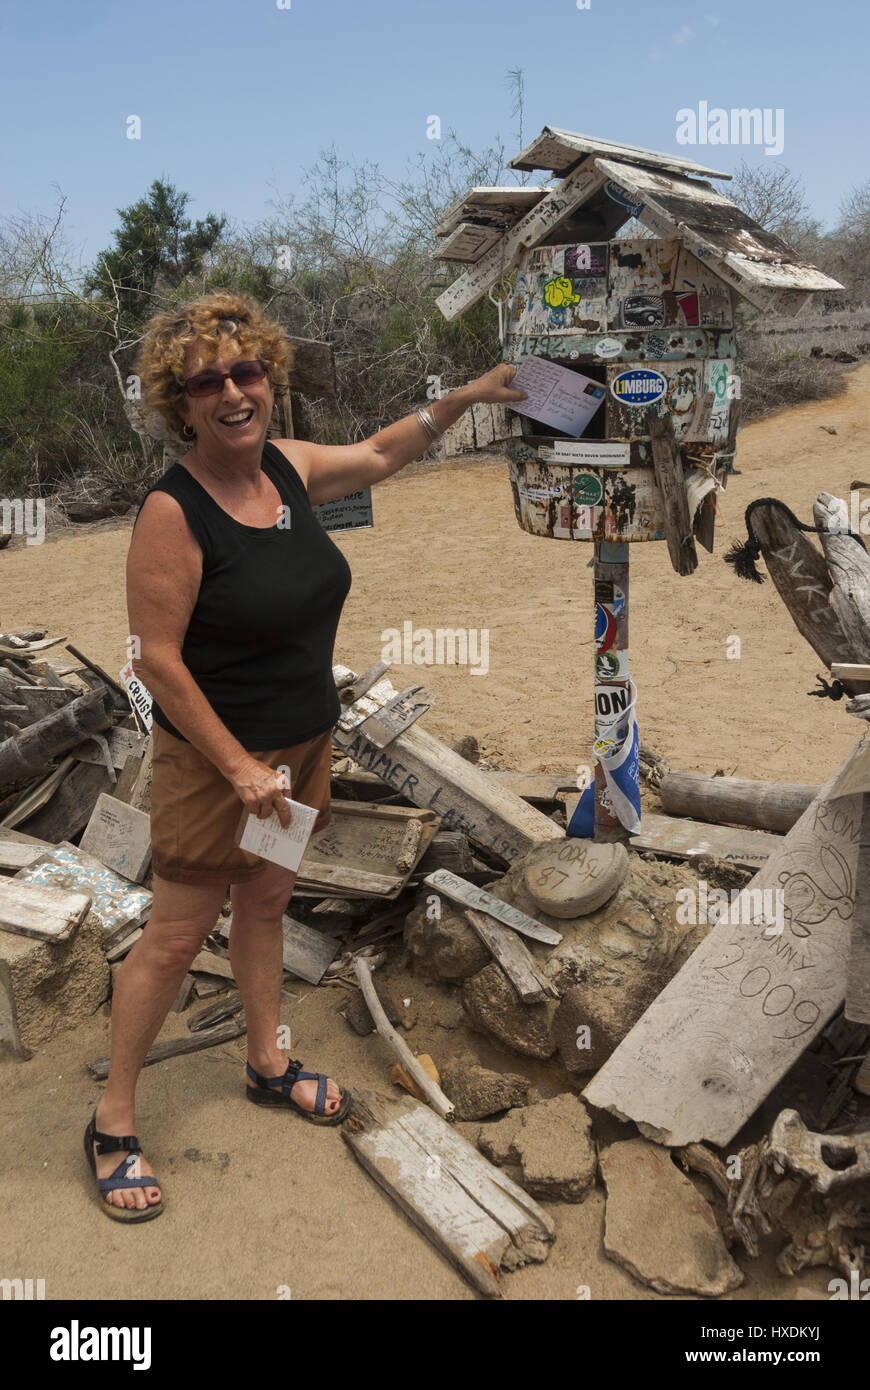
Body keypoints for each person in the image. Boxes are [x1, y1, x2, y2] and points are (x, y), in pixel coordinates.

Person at [85, 290, 526, 1221]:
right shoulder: (173, 511)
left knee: (270, 902)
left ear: (269, 379)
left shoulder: (284, 470)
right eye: (207, 382)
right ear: (182, 404)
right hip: (219, 770)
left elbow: (379, 453)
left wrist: (470, 394)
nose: (233, 393)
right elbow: (155, 660)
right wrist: (239, 768)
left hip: (299, 750)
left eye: (247, 373)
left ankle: (265, 1060)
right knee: (171, 940)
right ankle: (113, 1119)